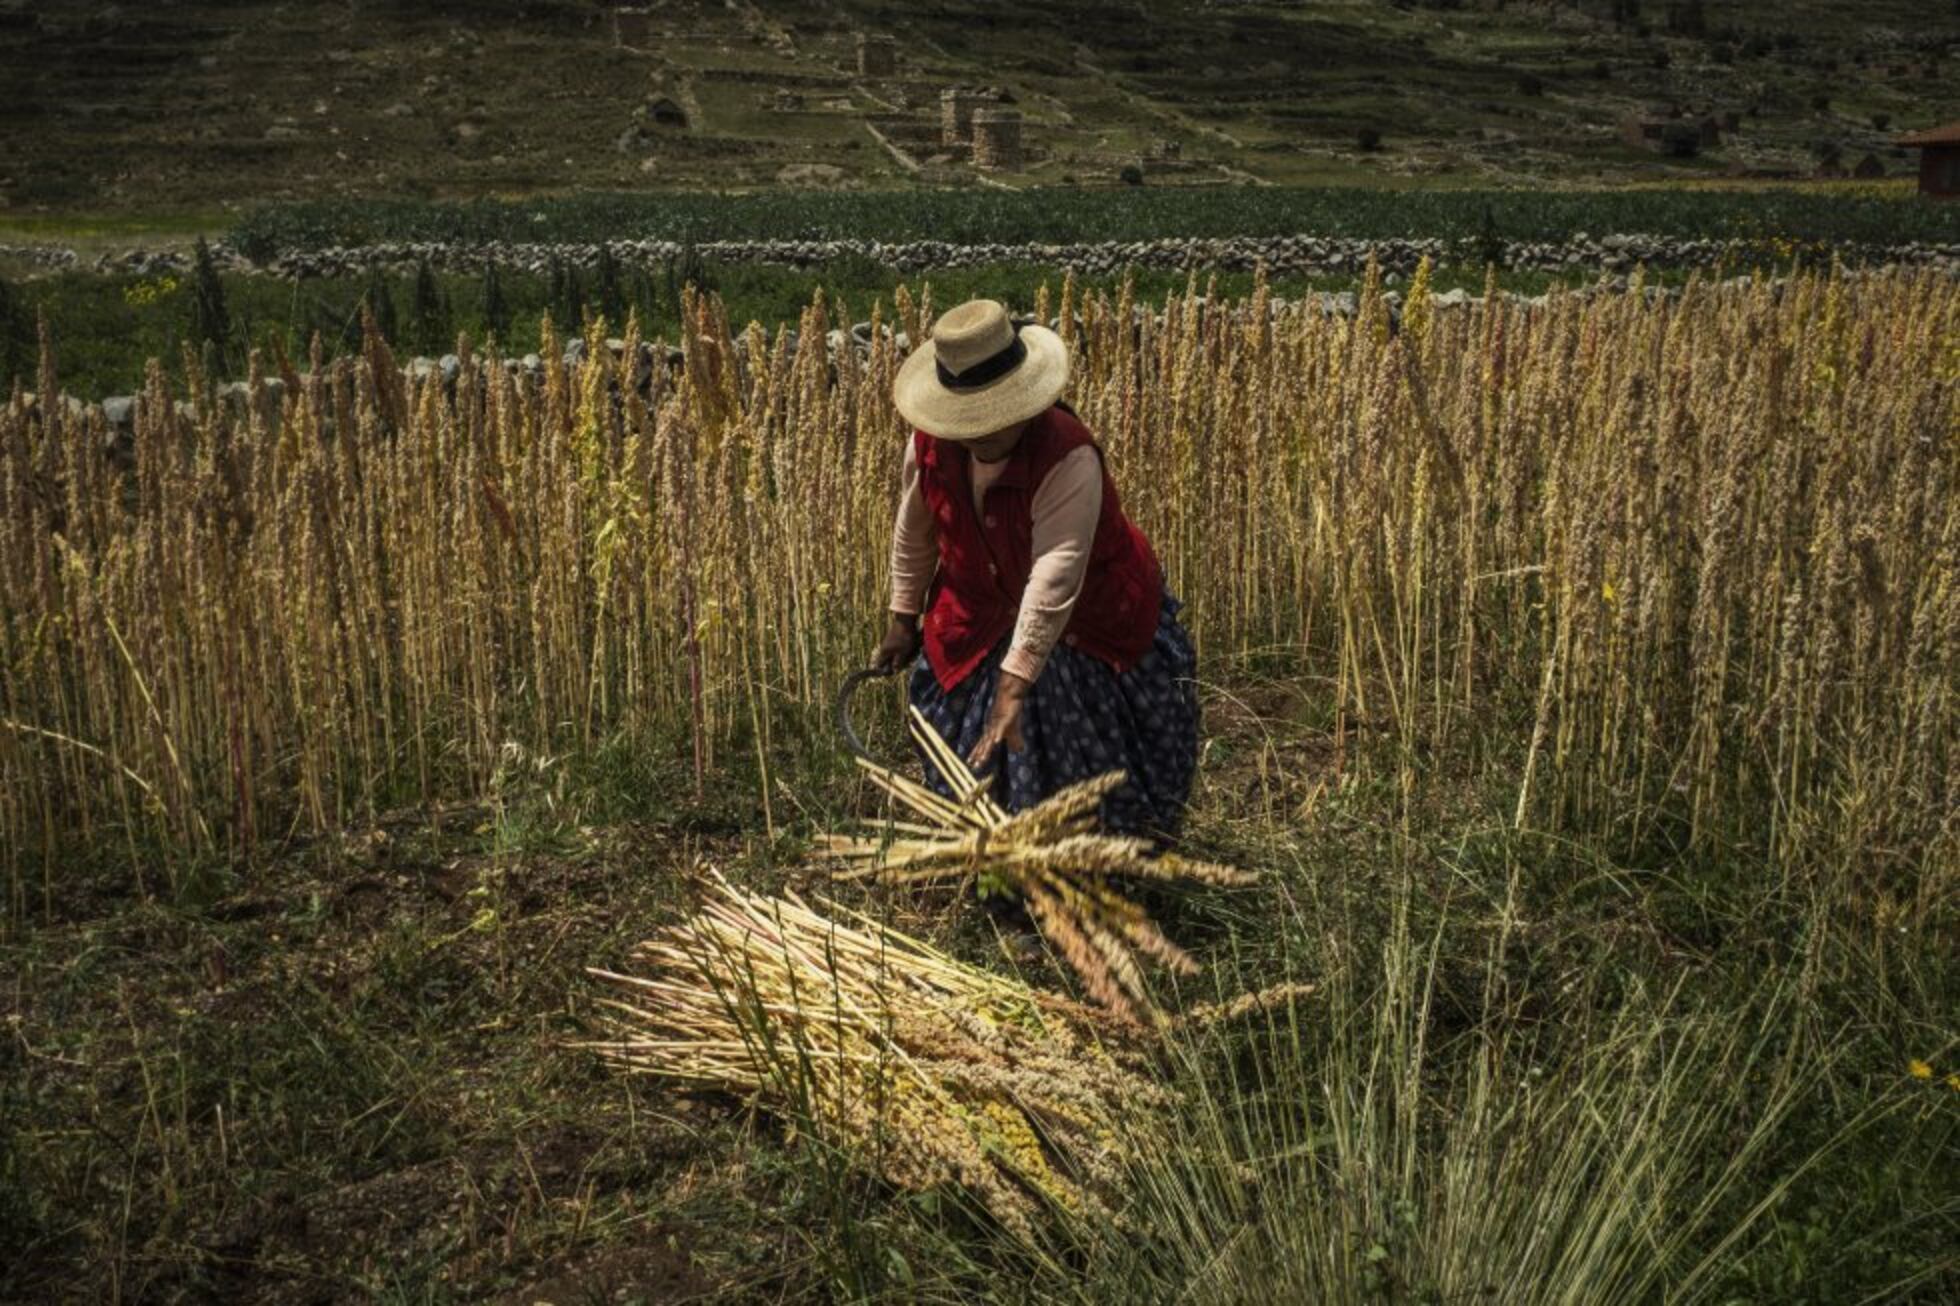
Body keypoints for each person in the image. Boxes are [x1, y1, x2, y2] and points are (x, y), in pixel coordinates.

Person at [870, 297, 1199, 843]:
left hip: (1086, 617)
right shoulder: (929, 448)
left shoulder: (1067, 456)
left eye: (995, 417)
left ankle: (1090, 852)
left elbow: (1055, 575)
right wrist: (903, 617)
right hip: (978, 612)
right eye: (968, 421)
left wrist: (1015, 680)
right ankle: (991, 852)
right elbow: (915, 529)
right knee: (968, 750)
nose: (981, 433)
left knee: (1054, 724)